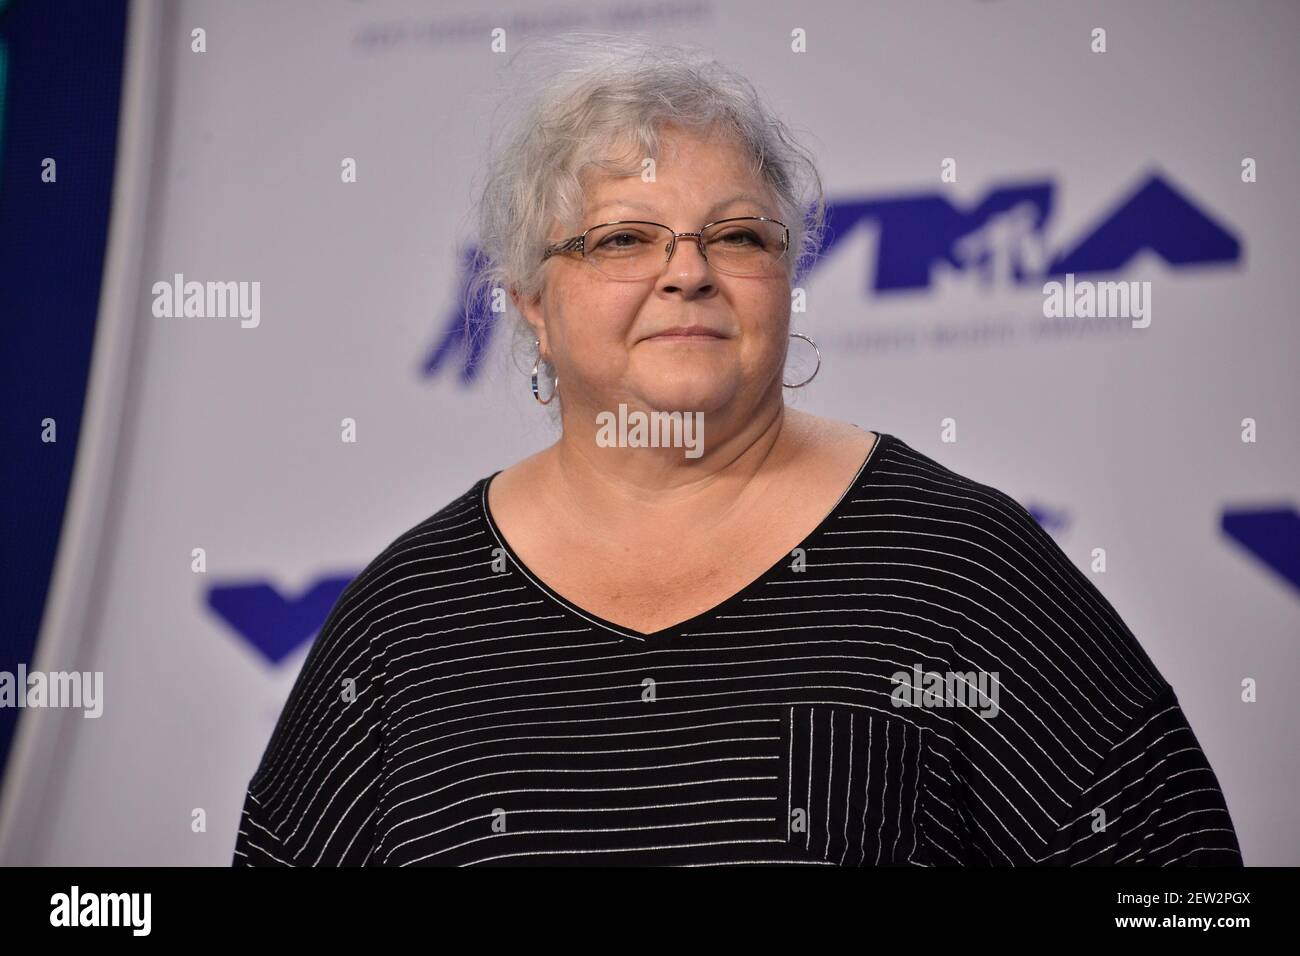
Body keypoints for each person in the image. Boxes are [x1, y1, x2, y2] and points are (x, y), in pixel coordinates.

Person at [233, 35, 1242, 867]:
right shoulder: (408, 618)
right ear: (532, 306)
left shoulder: (960, 565)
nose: (688, 274)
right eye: (624, 238)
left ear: (786, 281)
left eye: (739, 236)